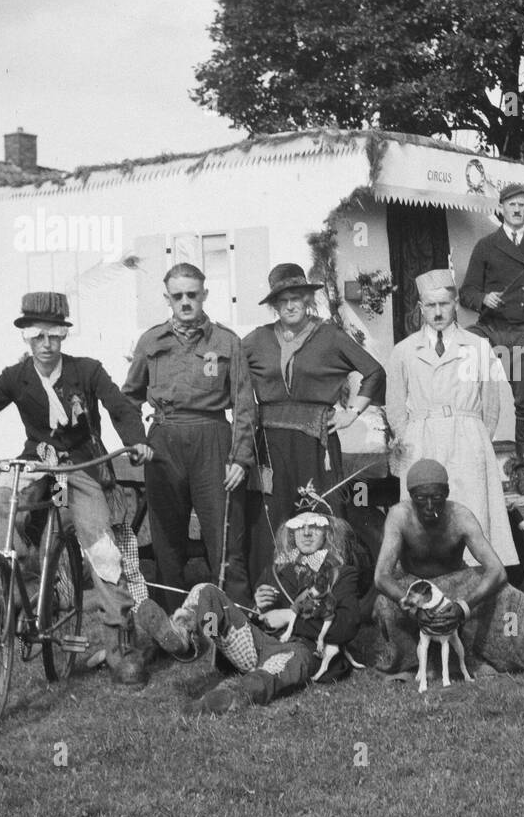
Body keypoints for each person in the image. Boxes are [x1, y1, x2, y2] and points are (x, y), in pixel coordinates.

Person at [0, 292, 157, 683]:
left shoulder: (87, 371)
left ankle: (120, 646)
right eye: (38, 337)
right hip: (35, 462)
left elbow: (120, 407)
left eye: (54, 337)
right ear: (27, 337)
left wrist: (136, 438)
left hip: (82, 464)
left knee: (102, 548)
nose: (46, 345)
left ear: (64, 338)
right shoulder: (16, 377)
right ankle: (15, 598)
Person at [242, 263, 386, 591]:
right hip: (269, 447)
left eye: (297, 297)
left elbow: (375, 372)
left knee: (320, 519)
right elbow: (231, 376)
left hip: (316, 445)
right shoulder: (256, 340)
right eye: (283, 300)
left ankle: (325, 599)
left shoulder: (330, 335)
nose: (290, 305)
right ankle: (271, 599)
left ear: (307, 299)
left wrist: (351, 412)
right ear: (274, 305)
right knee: (271, 523)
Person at [123, 263, 255, 610]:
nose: (185, 302)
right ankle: (173, 623)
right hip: (163, 442)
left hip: (213, 439)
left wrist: (240, 458)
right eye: (177, 295)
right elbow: (129, 397)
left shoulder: (227, 342)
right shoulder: (151, 341)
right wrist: (135, 440)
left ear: (204, 295)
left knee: (224, 537)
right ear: (167, 298)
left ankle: (235, 621)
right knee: (166, 538)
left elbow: (244, 404)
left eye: (192, 295)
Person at [170, 488, 362, 715]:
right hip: (257, 647)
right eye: (299, 526)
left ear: (327, 531)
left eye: (315, 526)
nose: (307, 533)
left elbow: (345, 627)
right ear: (291, 532)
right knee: (206, 591)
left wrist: (290, 617)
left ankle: (231, 696)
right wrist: (255, 609)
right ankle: (185, 636)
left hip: (301, 652)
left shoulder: (342, 573)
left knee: (275, 668)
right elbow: (256, 622)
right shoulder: (276, 569)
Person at [386, 269, 519, 567]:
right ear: (421, 307)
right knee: (425, 510)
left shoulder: (477, 347)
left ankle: (478, 579)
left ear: (455, 304)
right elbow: (394, 406)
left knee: (471, 507)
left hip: (467, 436)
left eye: (443, 304)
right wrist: (410, 439)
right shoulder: (404, 351)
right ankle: (427, 579)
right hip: (422, 438)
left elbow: (491, 404)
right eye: (430, 306)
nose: (437, 312)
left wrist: (477, 438)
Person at [372, 459, 524, 677]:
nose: (429, 506)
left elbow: (497, 571)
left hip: (457, 584)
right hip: (416, 587)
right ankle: (411, 666)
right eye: (421, 499)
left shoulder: (460, 516)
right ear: (411, 496)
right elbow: (381, 577)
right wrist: (412, 606)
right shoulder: (399, 516)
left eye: (436, 498)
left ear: (446, 493)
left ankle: (489, 659)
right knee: (384, 602)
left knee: (506, 593)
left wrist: (463, 607)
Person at [459, 180, 524, 494]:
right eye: (512, 205)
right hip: (491, 328)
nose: (517, 210)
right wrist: (483, 299)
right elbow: (466, 292)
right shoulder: (486, 246)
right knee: (458, 355)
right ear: (501, 209)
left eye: (522, 205)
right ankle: (464, 457)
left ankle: (523, 469)